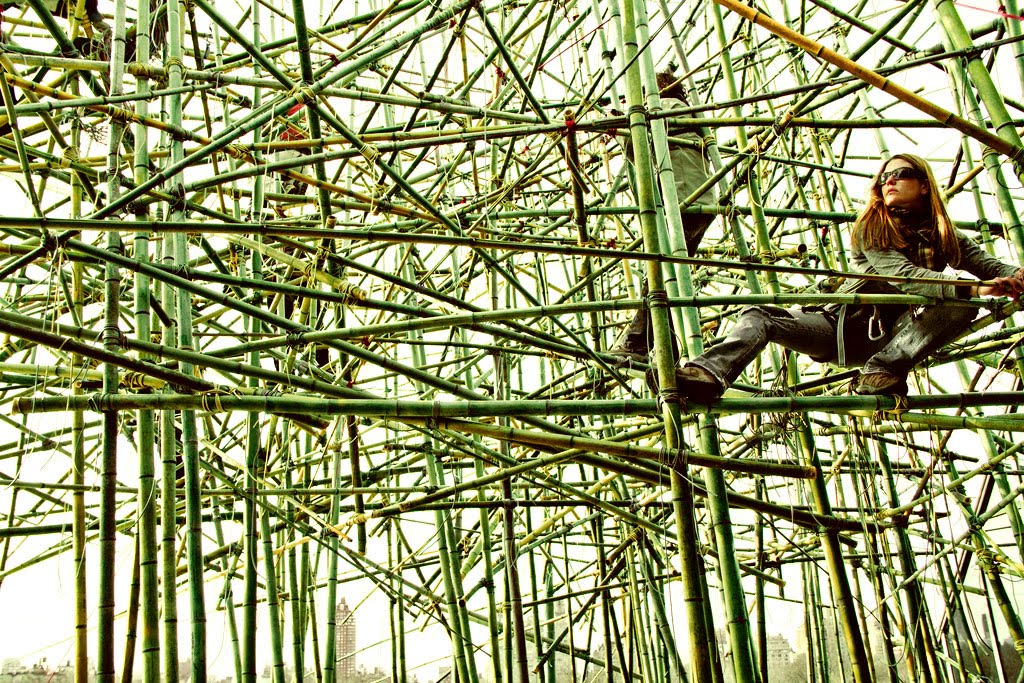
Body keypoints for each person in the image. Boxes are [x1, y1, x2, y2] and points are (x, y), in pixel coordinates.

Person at [668, 153, 1024, 400]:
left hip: (901, 337)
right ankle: (708, 374)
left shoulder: (944, 233)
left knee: (961, 305)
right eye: (884, 177)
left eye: (899, 175)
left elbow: (986, 263)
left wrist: (1015, 276)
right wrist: (974, 286)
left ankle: (879, 372)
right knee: (759, 316)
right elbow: (902, 276)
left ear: (925, 185)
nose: (889, 181)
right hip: (843, 326)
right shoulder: (871, 227)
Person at [609, 70, 717, 364]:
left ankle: (640, 341)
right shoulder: (686, 112)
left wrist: (626, 120)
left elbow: (641, 143)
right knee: (666, 278)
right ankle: (663, 340)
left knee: (657, 274)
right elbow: (642, 153)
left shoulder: (670, 107)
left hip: (682, 200)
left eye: (647, 90)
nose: (644, 95)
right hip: (698, 202)